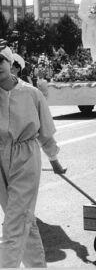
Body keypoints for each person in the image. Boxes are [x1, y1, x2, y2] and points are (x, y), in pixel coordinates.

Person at [0, 40, 66, 268]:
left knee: (13, 223)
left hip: (26, 157)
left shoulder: (31, 93)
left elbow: (45, 133)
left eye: (1, 60)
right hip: (1, 160)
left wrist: (54, 160)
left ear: (11, 63)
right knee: (23, 218)